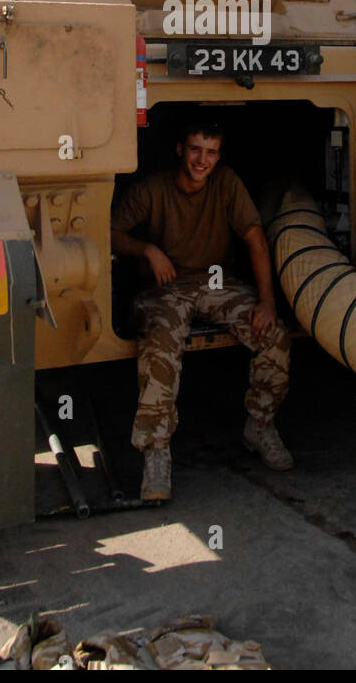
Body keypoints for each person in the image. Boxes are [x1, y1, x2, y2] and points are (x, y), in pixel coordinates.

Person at [110, 118, 293, 502]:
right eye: (195, 149)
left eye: (210, 152)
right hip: (165, 288)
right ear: (180, 150)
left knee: (272, 334)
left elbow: (255, 239)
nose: (202, 160)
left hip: (213, 282)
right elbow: (109, 230)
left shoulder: (225, 183)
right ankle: (156, 450)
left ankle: (259, 425)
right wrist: (147, 249)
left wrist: (267, 301)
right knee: (161, 344)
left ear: (219, 156)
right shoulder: (153, 189)